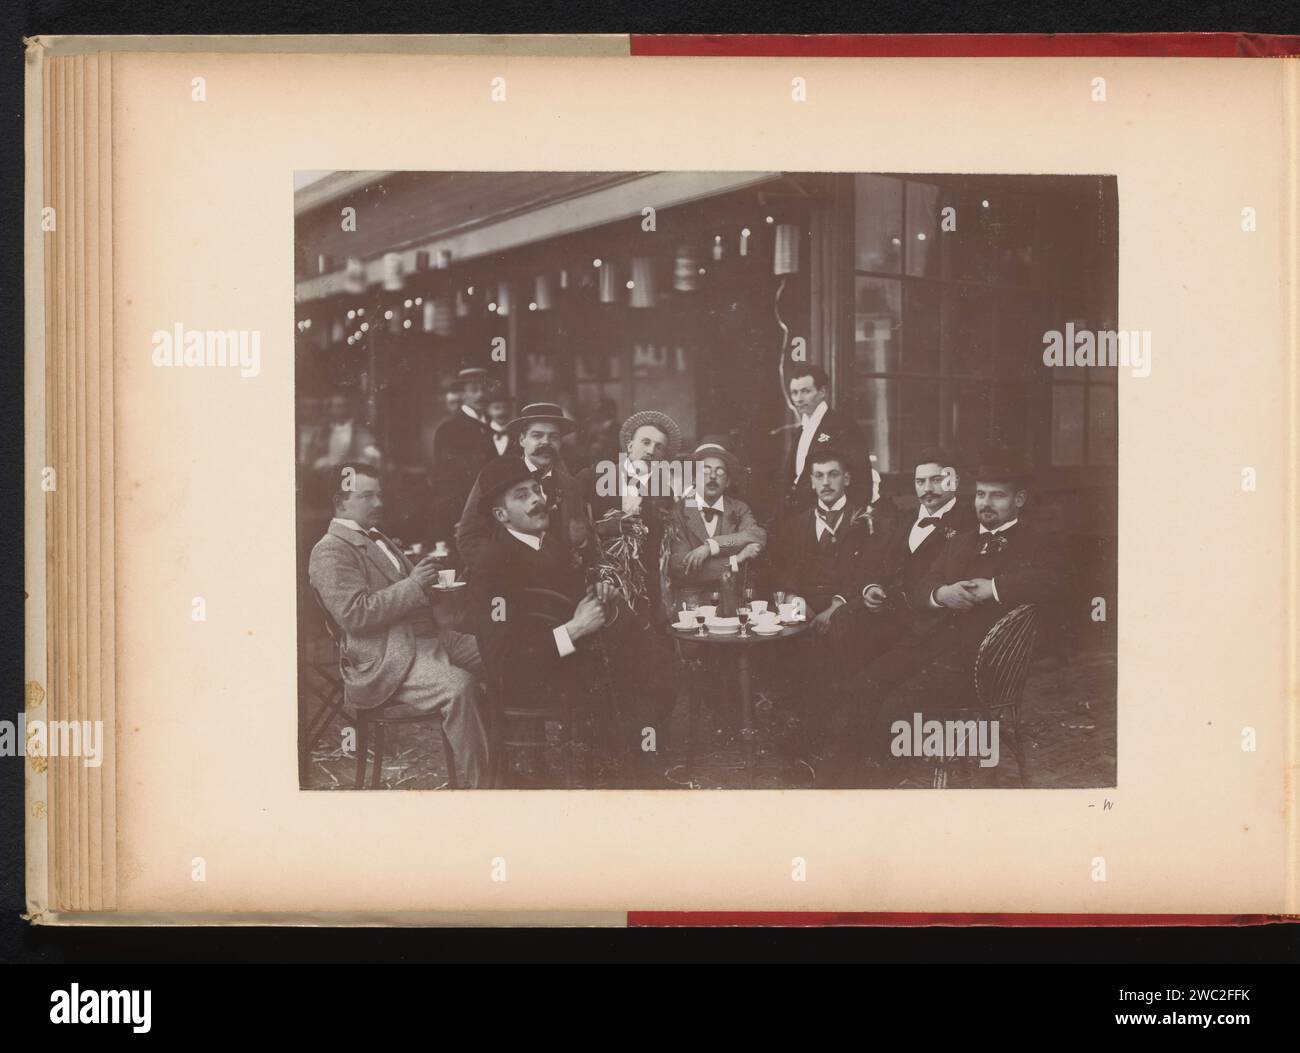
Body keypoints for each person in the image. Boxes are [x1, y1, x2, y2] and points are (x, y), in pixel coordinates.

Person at [822, 457, 1064, 788]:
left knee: (896, 707)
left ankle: (871, 792)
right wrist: (942, 593)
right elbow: (923, 587)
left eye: (997, 496)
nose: (986, 503)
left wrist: (992, 588)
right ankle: (831, 788)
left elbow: (1054, 582)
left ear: (1018, 500)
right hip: (926, 645)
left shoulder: (1035, 541)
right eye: (981, 495)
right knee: (861, 688)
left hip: (979, 663)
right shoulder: (960, 541)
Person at [308, 462, 489, 788]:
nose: (378, 503)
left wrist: (432, 585)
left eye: (379, 495)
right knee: (459, 687)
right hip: (387, 658)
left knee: (499, 652)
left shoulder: (378, 539)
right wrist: (414, 585)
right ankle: (486, 789)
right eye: (367, 496)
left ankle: (513, 759)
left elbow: (411, 593)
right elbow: (355, 615)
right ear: (340, 502)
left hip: (429, 640)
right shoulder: (330, 550)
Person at [467, 458, 613, 782]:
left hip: (564, 667)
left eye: (536, 490)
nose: (537, 500)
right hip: (529, 683)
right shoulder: (491, 568)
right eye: (521, 496)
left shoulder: (550, 545)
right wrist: (575, 629)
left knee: (646, 662)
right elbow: (504, 658)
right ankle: (614, 777)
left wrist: (594, 593)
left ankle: (613, 771)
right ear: (501, 515)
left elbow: (568, 604)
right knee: (631, 674)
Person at [828, 446, 977, 658]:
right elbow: (871, 562)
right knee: (843, 620)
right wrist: (870, 588)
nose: (927, 488)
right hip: (887, 613)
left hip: (930, 620)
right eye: (920, 482)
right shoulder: (902, 519)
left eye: (936, 480)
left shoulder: (968, 523)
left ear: (954, 481)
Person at [455, 402, 590, 575]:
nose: (546, 443)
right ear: (522, 440)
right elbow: (469, 538)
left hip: (555, 586)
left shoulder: (569, 485)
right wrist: (502, 572)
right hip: (505, 581)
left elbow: (580, 535)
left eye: (554, 437)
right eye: (537, 435)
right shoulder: (496, 476)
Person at [766, 448, 877, 633]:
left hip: (847, 609)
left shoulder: (866, 522)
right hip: (802, 609)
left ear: (846, 479)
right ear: (811, 482)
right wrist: (793, 599)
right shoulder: (795, 525)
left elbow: (869, 572)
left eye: (833, 475)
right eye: (819, 476)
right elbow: (782, 570)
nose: (825, 482)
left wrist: (836, 607)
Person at [665, 437, 767, 596]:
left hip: (735, 600)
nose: (712, 476)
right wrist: (736, 560)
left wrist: (710, 547)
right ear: (693, 478)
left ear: (727, 481)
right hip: (694, 605)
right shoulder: (678, 511)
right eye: (705, 470)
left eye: (720, 471)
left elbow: (757, 535)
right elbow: (681, 566)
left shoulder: (739, 508)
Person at [782, 364, 869, 515]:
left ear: (822, 391)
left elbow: (861, 479)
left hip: (832, 517)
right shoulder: (800, 431)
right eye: (794, 393)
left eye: (805, 391)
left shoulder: (843, 426)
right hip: (801, 518)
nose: (798, 399)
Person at [430, 368, 497, 562]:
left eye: (484, 389)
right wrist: (459, 518)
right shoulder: (450, 429)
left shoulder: (489, 425)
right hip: (464, 514)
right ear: (461, 394)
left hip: (489, 511)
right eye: (474, 389)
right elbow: (446, 481)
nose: (480, 395)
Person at [485, 390, 514, 457]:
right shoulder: (483, 433)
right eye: (496, 408)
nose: (502, 412)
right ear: (488, 411)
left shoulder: (516, 434)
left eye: (505, 407)